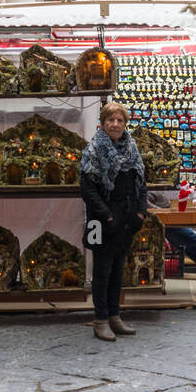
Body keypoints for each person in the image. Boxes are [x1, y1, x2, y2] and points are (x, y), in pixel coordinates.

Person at [80, 102, 146, 342]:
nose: (115, 124)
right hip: (101, 222)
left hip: (125, 220)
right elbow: (88, 190)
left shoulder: (131, 148)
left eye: (119, 120)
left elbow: (141, 182)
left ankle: (115, 316)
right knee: (102, 271)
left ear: (125, 124)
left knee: (118, 270)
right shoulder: (94, 150)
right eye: (111, 120)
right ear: (103, 123)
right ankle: (100, 320)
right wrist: (107, 216)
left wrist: (140, 213)